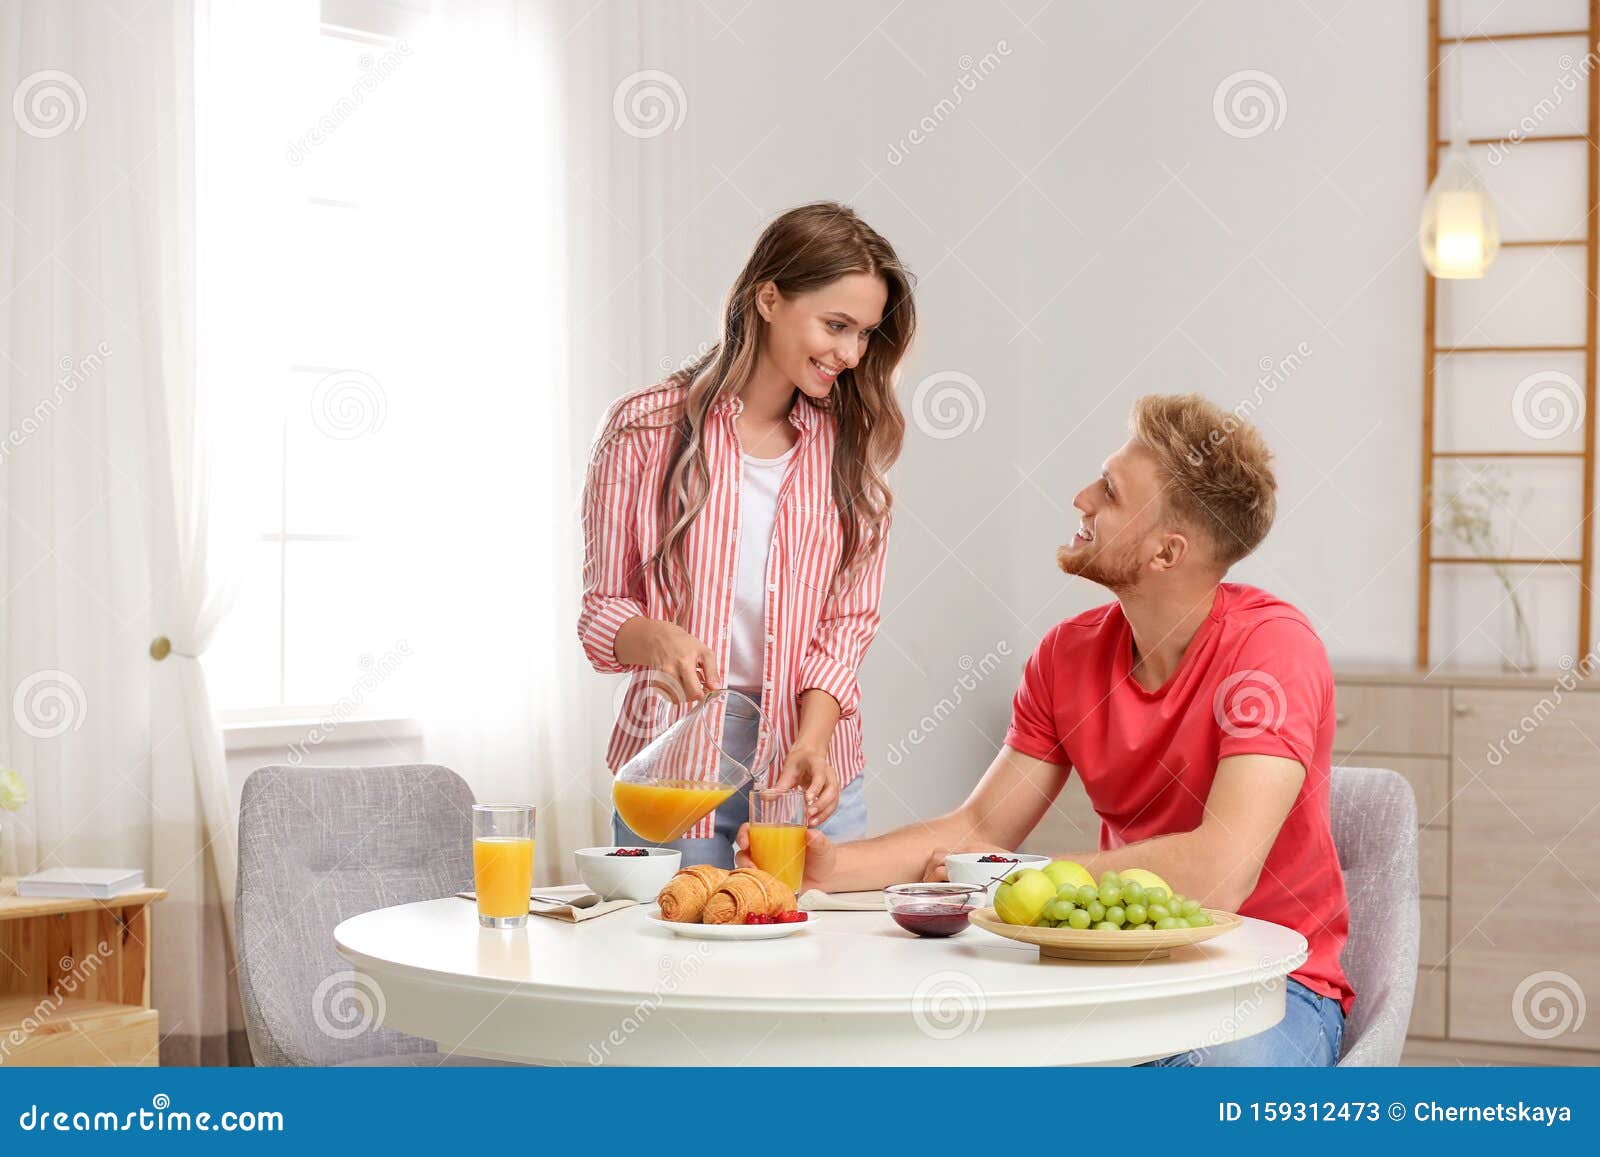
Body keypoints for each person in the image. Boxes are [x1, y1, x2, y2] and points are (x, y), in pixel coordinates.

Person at [738, 393, 1354, 1066]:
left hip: (1268, 987)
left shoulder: (1272, 651)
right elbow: (979, 831)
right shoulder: (1068, 655)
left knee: (1190, 1084)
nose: (1081, 497)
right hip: (1123, 973)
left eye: (1111, 492)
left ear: (1164, 552)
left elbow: (1220, 870)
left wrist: (1028, 877)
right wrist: (832, 867)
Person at [579, 201, 917, 868]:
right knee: (673, 959)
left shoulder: (848, 450)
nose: (851, 354)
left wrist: (814, 739)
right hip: (674, 766)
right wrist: (657, 637)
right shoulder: (644, 429)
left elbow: (845, 628)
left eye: (865, 334)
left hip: (808, 766)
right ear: (768, 298)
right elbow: (601, 610)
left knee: (819, 963)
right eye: (836, 325)